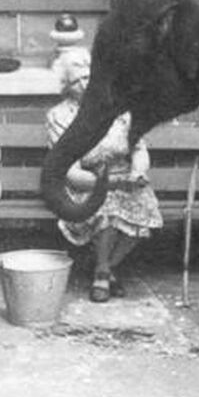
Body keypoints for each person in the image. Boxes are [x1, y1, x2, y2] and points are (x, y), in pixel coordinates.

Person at [46, 52, 163, 303]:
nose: (86, 84)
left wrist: (137, 172)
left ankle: (105, 268)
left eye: (89, 77)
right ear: (66, 86)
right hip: (86, 182)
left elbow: (139, 148)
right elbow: (70, 172)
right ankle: (102, 274)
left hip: (124, 178)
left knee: (143, 208)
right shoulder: (60, 116)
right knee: (107, 207)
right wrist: (109, 184)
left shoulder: (119, 109)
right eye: (77, 80)